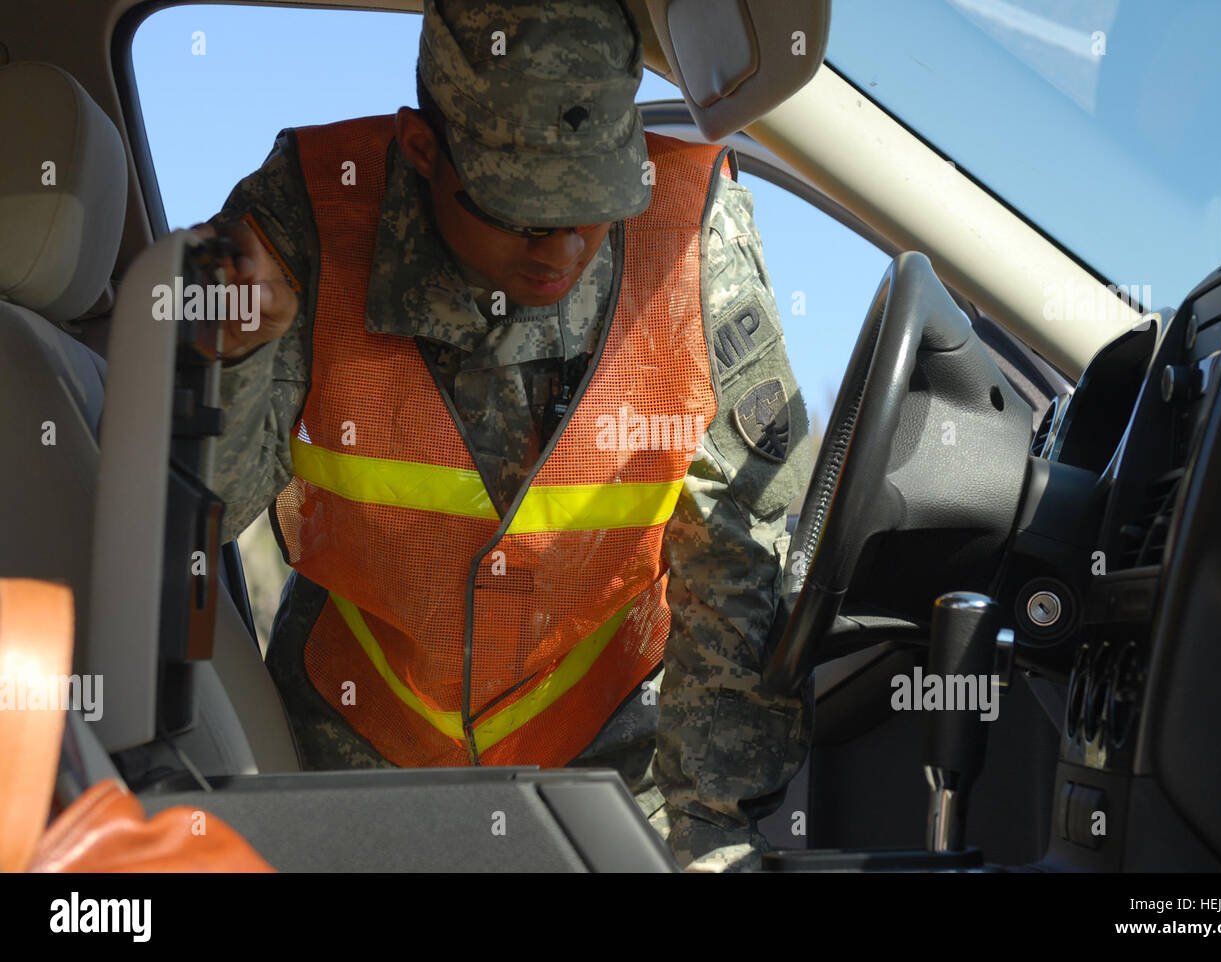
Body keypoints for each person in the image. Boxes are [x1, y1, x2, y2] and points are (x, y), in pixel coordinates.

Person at [201, 0, 812, 872]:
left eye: (593, 210)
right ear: (421, 149)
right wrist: (230, 359)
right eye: (521, 216)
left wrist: (711, 836)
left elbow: (735, 568)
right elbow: (192, 520)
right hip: (346, 765)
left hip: (603, 771)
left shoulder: (690, 226)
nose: (561, 252)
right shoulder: (308, 211)